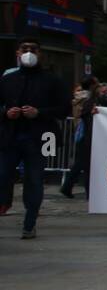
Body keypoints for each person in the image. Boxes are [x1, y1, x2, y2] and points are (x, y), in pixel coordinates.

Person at [0, 40, 67, 237]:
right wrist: (6, 113)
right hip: (10, 137)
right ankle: (5, 202)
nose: (29, 53)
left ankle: (30, 221)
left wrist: (39, 113)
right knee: (3, 176)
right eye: (24, 49)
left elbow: (63, 110)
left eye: (33, 50)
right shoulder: (7, 80)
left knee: (34, 180)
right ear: (18, 53)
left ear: (41, 54)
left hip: (41, 138)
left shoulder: (52, 81)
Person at [61, 76, 100, 198]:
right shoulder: (89, 99)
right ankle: (89, 192)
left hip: (80, 131)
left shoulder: (78, 98)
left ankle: (67, 186)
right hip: (86, 133)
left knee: (80, 163)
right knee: (87, 164)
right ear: (92, 85)